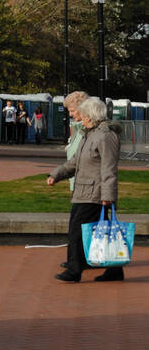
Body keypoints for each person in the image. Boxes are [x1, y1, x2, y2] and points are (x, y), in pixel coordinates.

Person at [48, 96, 121, 282]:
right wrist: (56, 175)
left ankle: (74, 269)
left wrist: (108, 196)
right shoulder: (89, 135)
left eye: (84, 114)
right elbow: (74, 163)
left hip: (94, 194)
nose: (80, 117)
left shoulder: (105, 136)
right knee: (103, 233)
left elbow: (109, 168)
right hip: (83, 191)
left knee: (77, 233)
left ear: (91, 116)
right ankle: (114, 270)